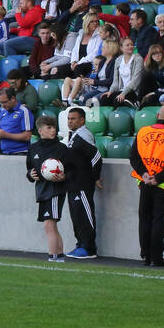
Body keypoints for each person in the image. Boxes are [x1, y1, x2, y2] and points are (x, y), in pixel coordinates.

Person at [130, 104, 164, 267]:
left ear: (157, 116)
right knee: (159, 221)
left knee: (145, 219)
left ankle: (146, 255)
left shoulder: (142, 132)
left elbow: (133, 157)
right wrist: (158, 178)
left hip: (145, 183)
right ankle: (156, 257)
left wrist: (144, 174)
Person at [25, 115, 72, 262]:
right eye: (49, 127)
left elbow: (71, 169)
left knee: (49, 224)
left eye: (54, 127)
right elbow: (30, 169)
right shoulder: (33, 149)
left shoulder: (61, 148)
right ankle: (59, 256)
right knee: (51, 226)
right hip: (42, 190)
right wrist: (30, 175)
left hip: (55, 190)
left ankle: (53, 257)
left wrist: (64, 176)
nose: (53, 130)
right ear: (40, 131)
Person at [64, 106, 102, 259]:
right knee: (77, 215)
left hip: (82, 183)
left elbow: (96, 156)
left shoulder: (83, 135)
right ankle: (80, 244)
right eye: (68, 118)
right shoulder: (74, 135)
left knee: (85, 214)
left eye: (73, 119)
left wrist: (95, 176)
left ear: (82, 120)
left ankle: (89, 248)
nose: (69, 121)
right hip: (72, 182)